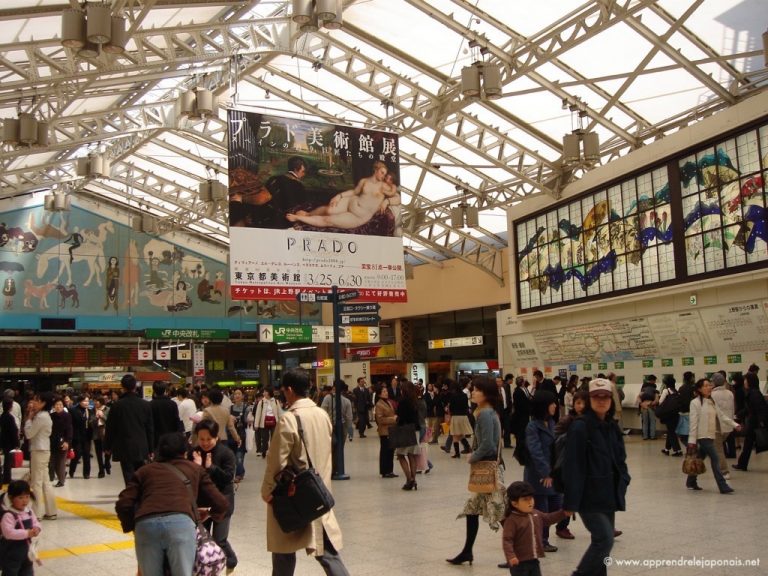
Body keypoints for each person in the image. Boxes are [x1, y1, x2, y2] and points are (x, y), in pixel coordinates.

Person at [260, 369, 349, 576]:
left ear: (289, 390)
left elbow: (276, 462)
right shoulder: (322, 414)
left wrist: (267, 491)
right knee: (325, 548)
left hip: (292, 492)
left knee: (283, 548)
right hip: (318, 489)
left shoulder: (289, 419)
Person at [116, 432, 229, 576]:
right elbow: (221, 503)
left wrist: (133, 526)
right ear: (184, 451)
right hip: (181, 525)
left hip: (146, 525)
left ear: (159, 451)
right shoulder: (195, 469)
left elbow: (123, 503)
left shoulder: (144, 471)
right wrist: (208, 514)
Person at [563, 378, 630, 576]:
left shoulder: (611, 426)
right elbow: (573, 466)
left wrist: (624, 479)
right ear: (589, 399)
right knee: (605, 539)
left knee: (601, 543)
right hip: (587, 495)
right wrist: (570, 502)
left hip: (608, 492)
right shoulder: (580, 427)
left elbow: (620, 458)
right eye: (596, 397)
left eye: (606, 397)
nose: (602, 401)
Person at [447, 376, 506, 566]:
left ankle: (523, 552)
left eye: (477, 390)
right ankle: (467, 551)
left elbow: (488, 445)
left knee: (502, 513)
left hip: (488, 471)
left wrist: (472, 456)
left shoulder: (486, 414)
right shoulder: (485, 412)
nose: (473, 392)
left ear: (486, 394)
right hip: (487, 472)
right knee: (473, 510)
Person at [287, 161, 400, 230]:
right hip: (351, 202)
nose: (384, 176)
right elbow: (354, 192)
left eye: (385, 174)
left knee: (328, 220)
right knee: (329, 210)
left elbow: (398, 198)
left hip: (358, 216)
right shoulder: (364, 181)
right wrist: (339, 196)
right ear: (375, 170)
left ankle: (298, 218)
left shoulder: (384, 187)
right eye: (382, 172)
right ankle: (308, 214)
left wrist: (387, 202)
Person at [190, 420, 238, 573]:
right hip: (201, 504)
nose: (204, 443)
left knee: (219, 540)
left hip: (222, 503)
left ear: (216, 437)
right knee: (203, 541)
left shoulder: (226, 453)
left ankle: (231, 561)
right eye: (201, 439)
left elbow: (228, 478)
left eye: (208, 439)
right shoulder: (195, 453)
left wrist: (211, 467)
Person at [502, 481, 571, 576]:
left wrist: (564, 513)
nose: (530, 502)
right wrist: (511, 556)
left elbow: (549, 518)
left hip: (534, 560)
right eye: (525, 499)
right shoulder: (512, 520)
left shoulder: (536, 514)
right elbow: (507, 540)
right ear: (514, 503)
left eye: (531, 498)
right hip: (519, 563)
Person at [687, 378, 740, 492]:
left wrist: (735, 424)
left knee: (700, 458)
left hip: (711, 435)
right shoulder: (695, 403)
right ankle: (722, 486)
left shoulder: (711, 402)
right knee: (715, 458)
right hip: (702, 436)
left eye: (709, 385)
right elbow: (693, 422)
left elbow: (722, 416)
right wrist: (692, 441)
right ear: (699, 389)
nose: (709, 387)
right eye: (705, 386)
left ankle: (691, 481)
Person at [524, 390, 561, 553]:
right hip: (538, 475)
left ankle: (541, 536)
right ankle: (542, 540)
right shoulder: (532, 426)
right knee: (542, 508)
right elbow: (536, 451)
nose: (555, 406)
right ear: (543, 406)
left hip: (553, 474)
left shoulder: (552, 423)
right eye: (551, 403)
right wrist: (545, 472)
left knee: (556, 505)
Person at [104, 374, 154, 486]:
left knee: (128, 475)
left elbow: (110, 428)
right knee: (141, 474)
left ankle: (131, 497)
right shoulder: (145, 405)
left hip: (124, 446)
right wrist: (151, 448)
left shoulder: (117, 406)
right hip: (142, 446)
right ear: (135, 387)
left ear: (123, 387)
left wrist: (107, 447)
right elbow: (150, 429)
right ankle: (140, 497)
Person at [554, 390, 589, 540]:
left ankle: (605, 525)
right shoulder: (567, 420)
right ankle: (562, 526)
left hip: (588, 463)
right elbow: (556, 439)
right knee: (569, 497)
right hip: (571, 463)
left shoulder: (594, 419)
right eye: (578, 403)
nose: (581, 406)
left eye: (584, 403)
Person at [23, 392, 57, 520]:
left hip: (38, 450)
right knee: (45, 482)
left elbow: (29, 434)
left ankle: (36, 513)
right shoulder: (45, 415)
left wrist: (28, 420)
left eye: (37, 400)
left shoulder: (41, 417)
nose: (34, 402)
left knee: (36, 482)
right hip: (44, 450)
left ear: (43, 403)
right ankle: (51, 511)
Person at [1, 479, 42, 576]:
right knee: (10, 572)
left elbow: (35, 522)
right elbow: (8, 533)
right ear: (11, 498)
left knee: (27, 571)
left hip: (27, 553)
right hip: (11, 553)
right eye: (20, 497)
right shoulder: (9, 515)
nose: (25, 501)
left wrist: (37, 528)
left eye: (27, 497)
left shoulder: (28, 511)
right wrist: (27, 533)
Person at [732, 372, 767, 472]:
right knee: (747, 444)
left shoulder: (754, 393)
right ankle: (742, 464)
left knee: (749, 443)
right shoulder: (752, 392)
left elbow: (760, 409)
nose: (744, 382)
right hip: (754, 423)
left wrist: (762, 422)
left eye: (746, 380)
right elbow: (749, 408)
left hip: (756, 423)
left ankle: (742, 464)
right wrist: (738, 415)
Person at [264, 156, 310, 228]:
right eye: (303, 171)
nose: (304, 174)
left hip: (267, 216)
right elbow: (302, 207)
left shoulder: (273, 179)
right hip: (285, 221)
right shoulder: (299, 186)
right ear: (295, 169)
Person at [320, 382, 353, 473]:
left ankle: (330, 470)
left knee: (330, 449)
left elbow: (322, 412)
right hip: (342, 428)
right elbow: (349, 418)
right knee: (339, 448)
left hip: (329, 427)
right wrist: (350, 433)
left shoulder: (327, 398)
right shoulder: (347, 401)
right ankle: (338, 469)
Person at [394, 380, 421, 490]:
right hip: (415, 430)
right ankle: (414, 479)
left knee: (400, 455)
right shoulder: (415, 401)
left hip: (405, 430)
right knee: (412, 455)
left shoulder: (402, 402)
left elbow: (401, 417)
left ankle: (409, 479)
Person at [374, 385, 398, 478]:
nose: (386, 393)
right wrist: (393, 419)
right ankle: (385, 471)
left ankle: (390, 470)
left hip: (391, 430)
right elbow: (380, 419)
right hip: (384, 431)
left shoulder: (388, 402)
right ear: (380, 394)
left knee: (391, 451)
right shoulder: (379, 404)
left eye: (386, 391)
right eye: (384, 391)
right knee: (385, 451)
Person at [150, 381, 182, 450]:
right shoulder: (172, 404)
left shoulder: (150, 405)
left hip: (156, 440)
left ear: (154, 390)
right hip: (171, 439)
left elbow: (150, 424)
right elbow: (177, 421)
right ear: (165, 390)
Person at [446, 379, 473, 458]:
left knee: (455, 435)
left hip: (456, 417)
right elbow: (466, 406)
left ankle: (457, 453)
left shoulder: (453, 396)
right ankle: (467, 447)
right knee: (461, 434)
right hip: (464, 417)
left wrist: (449, 417)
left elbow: (451, 408)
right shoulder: (464, 395)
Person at [48, 398, 72, 487]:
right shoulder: (51, 416)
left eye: (60, 405)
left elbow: (69, 429)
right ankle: (54, 477)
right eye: (57, 405)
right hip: (52, 442)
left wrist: (67, 441)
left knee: (61, 462)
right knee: (52, 462)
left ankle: (61, 481)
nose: (58, 406)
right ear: (54, 406)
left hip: (63, 441)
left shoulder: (67, 416)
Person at [68, 395, 93, 480]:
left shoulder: (89, 411)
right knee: (77, 454)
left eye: (87, 401)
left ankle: (86, 473)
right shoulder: (73, 410)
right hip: (77, 436)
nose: (86, 403)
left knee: (86, 455)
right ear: (80, 401)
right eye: (84, 401)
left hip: (87, 436)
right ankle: (72, 470)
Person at [658, 375, 682, 457]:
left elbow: (660, 402)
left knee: (671, 432)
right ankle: (666, 449)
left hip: (668, 415)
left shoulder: (666, 391)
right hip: (676, 414)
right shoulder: (676, 391)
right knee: (670, 431)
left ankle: (677, 450)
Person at [253, 388, 281, 458]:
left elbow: (279, 413)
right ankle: (264, 451)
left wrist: (281, 423)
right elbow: (258, 414)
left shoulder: (275, 401)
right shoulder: (261, 402)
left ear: (268, 393)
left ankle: (273, 452)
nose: (263, 393)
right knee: (265, 439)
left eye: (265, 392)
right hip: (264, 422)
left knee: (274, 438)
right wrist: (256, 424)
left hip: (274, 422)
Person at [229, 388, 249, 480]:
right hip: (231, 434)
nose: (237, 395)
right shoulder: (230, 408)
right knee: (234, 455)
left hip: (241, 434)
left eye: (239, 394)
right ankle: (241, 471)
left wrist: (249, 419)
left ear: (242, 396)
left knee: (239, 455)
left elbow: (247, 421)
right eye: (235, 394)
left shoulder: (246, 408)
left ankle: (239, 474)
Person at [1, 398, 20, 488]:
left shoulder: (2, 416)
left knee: (6, 460)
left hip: (3, 440)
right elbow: (13, 431)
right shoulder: (10, 417)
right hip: (8, 441)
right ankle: (7, 478)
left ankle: (6, 477)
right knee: (8, 461)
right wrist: (16, 443)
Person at [91, 396, 110, 478]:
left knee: (107, 451)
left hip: (106, 432)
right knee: (98, 453)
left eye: (97, 401)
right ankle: (101, 470)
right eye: (94, 401)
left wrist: (102, 416)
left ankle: (107, 462)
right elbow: (90, 422)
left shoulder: (108, 409)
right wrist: (96, 417)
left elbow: (110, 422)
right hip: (96, 432)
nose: (95, 403)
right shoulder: (92, 410)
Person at [637, 375, 659, 440]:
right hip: (651, 406)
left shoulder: (643, 389)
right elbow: (657, 400)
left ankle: (645, 436)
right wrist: (652, 404)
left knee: (645, 422)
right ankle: (652, 436)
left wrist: (641, 404)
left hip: (644, 406)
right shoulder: (655, 390)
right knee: (652, 421)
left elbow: (638, 397)